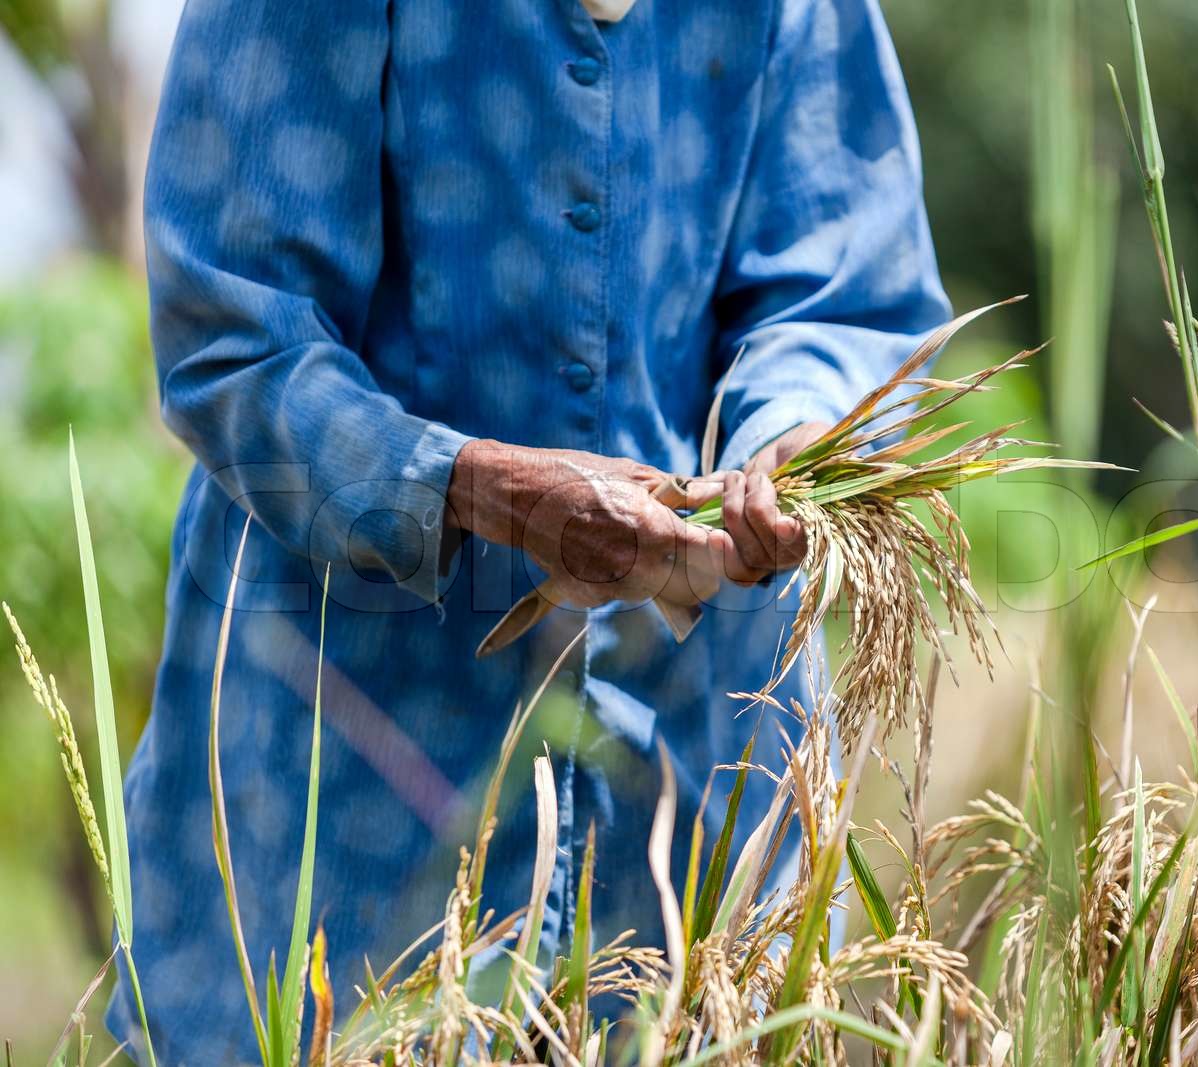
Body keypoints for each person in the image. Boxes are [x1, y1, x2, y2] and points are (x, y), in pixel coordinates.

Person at [109, 0, 946, 1060]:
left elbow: (843, 297)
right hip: (350, 772)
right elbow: (237, 337)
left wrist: (793, 442)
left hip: (701, 754)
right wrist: (474, 485)